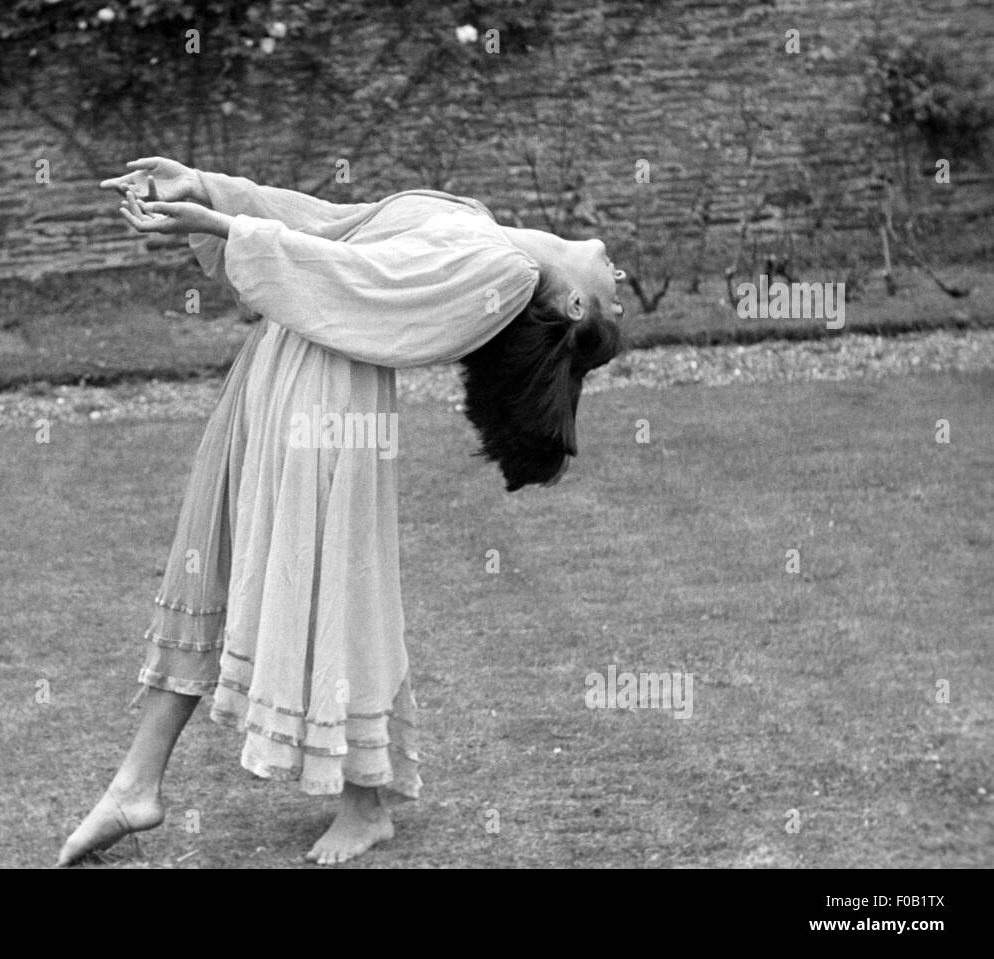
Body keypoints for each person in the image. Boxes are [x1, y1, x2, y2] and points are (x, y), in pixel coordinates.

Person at [58, 158, 625, 866]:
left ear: (575, 307)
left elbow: (358, 283)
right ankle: (136, 783)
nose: (622, 286)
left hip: (330, 398)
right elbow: (335, 228)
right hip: (284, 358)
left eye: (614, 307)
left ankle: (364, 806)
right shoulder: (478, 222)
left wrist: (222, 224)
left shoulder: (503, 274)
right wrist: (205, 186)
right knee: (216, 553)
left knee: (337, 586)